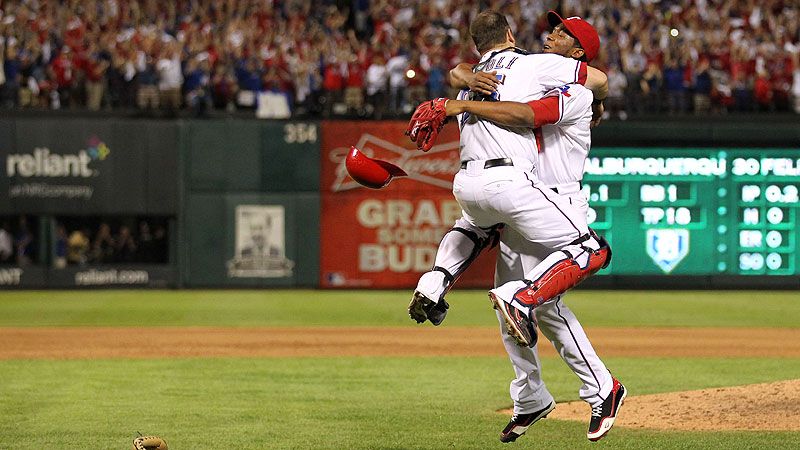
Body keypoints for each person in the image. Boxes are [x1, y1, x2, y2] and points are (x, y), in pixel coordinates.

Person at [407, 11, 624, 442]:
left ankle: (601, 388)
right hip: (520, 198)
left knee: (541, 301)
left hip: (555, 199)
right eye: (553, 27)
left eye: (562, 33)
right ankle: (533, 396)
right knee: (517, 310)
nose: (551, 34)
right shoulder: (530, 71)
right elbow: (476, 70)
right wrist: (465, 75)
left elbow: (527, 113)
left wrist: (462, 100)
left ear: (577, 53)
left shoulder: (574, 94)